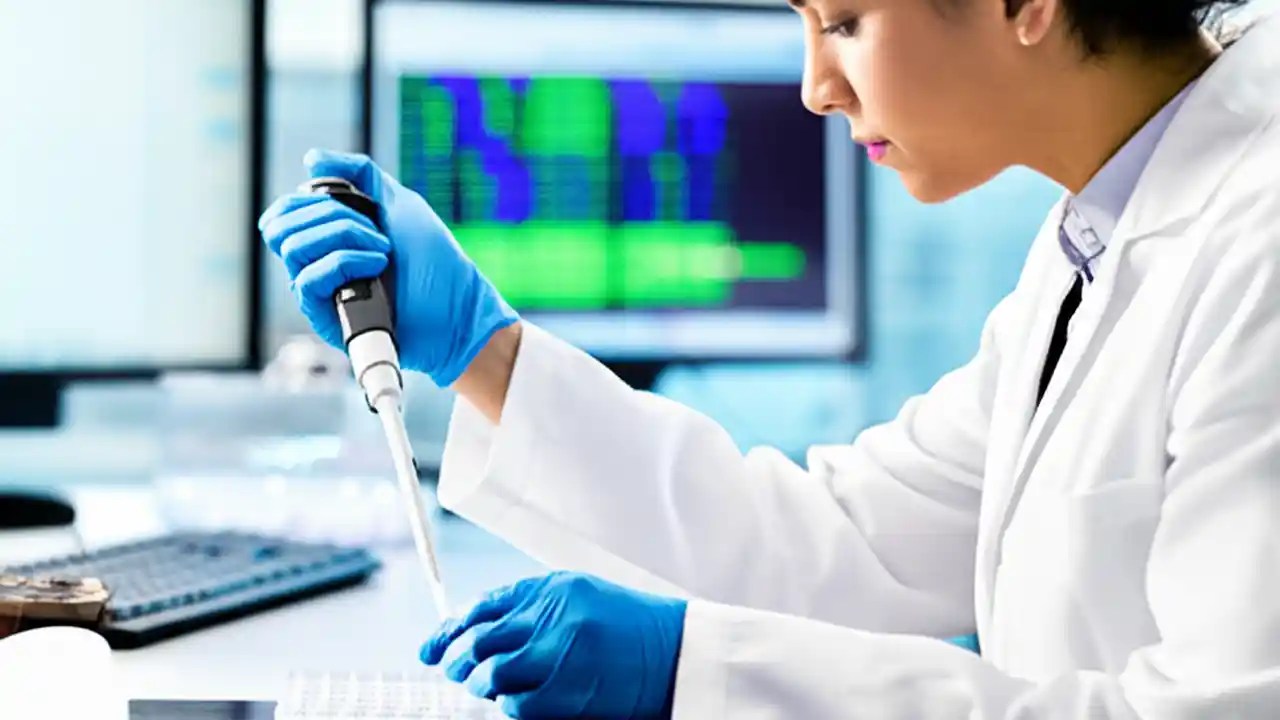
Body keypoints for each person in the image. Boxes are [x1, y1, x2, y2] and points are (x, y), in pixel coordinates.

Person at [259, 0, 1280, 715]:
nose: (814, 88)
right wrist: (485, 351)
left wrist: (693, 671)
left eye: (844, 23)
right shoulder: (1103, 226)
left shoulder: (1258, 243)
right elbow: (843, 543)